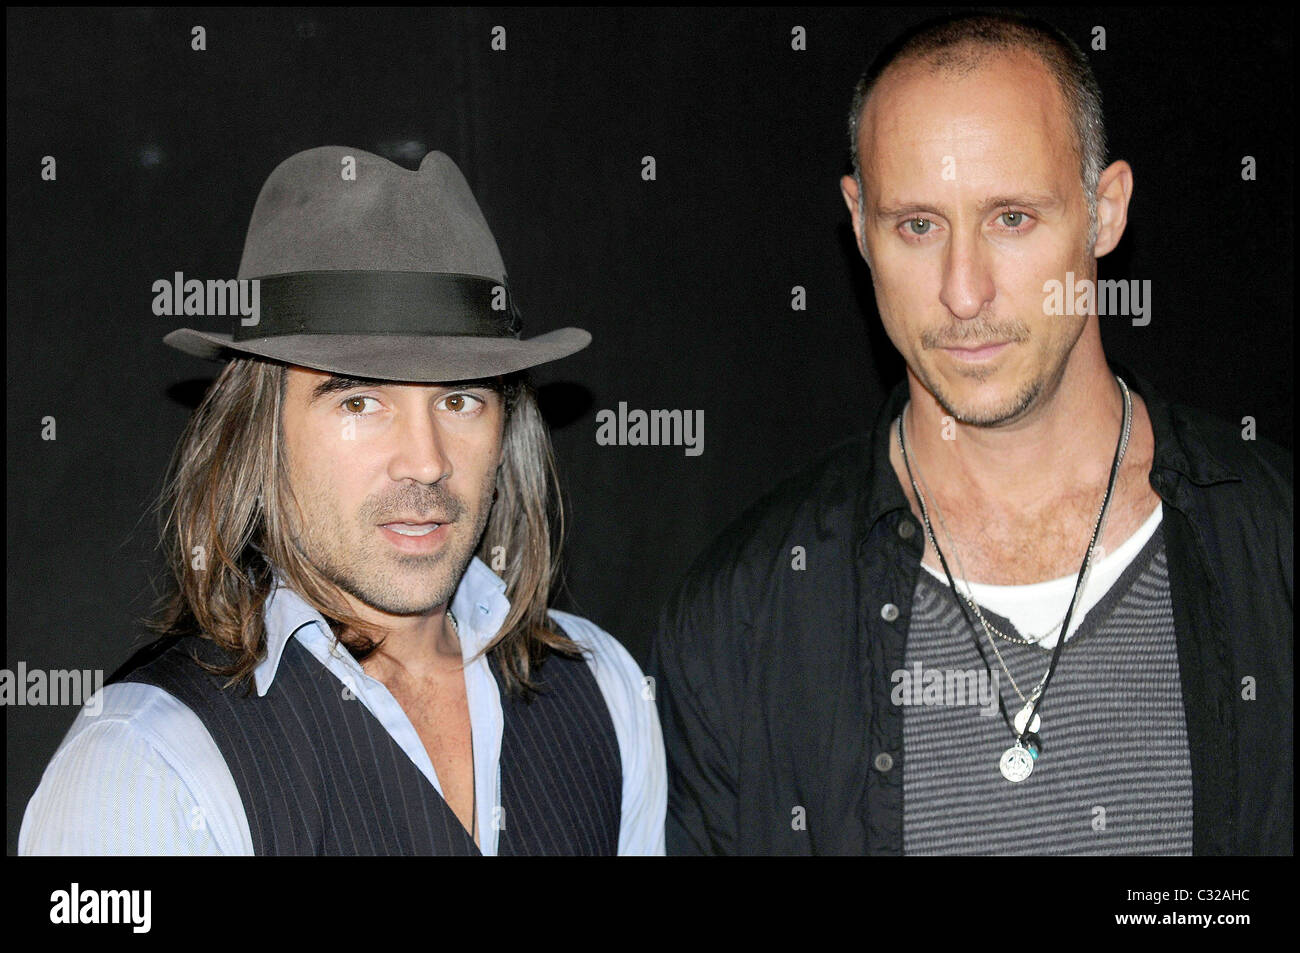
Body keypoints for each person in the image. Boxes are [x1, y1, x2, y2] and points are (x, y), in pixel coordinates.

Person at [651, 13, 1292, 855]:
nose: (963, 291)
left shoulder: (1274, 546)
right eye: (918, 225)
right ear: (858, 225)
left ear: (1105, 212)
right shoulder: (743, 613)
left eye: (1011, 218)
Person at [21, 145, 665, 855]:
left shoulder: (603, 693)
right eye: (359, 399)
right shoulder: (146, 766)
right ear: (259, 433)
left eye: (459, 398)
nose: (426, 459)